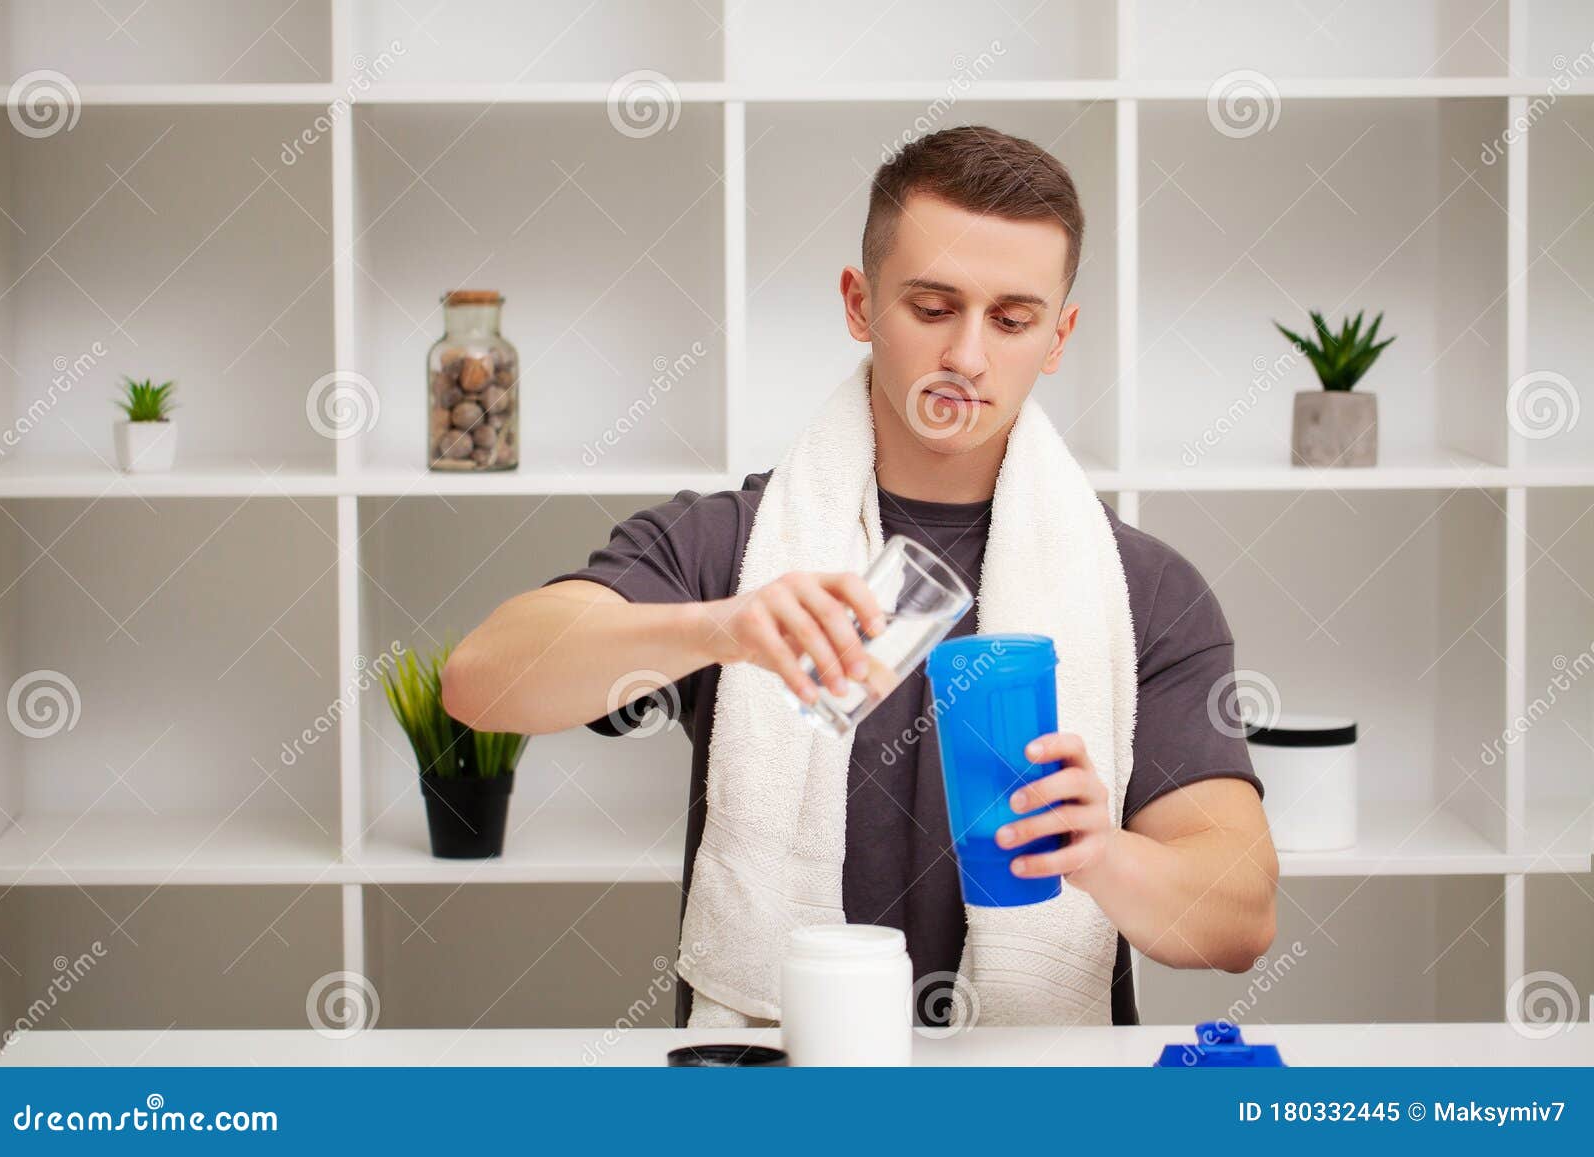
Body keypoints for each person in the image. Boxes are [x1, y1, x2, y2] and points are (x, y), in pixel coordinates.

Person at [443, 124, 1278, 1028]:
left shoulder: (1142, 589)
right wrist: (718, 628)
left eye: (1011, 318)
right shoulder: (731, 544)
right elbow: (480, 681)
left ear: (1059, 335)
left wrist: (1102, 853)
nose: (967, 355)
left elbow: (1241, 922)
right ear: (858, 302)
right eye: (931, 307)